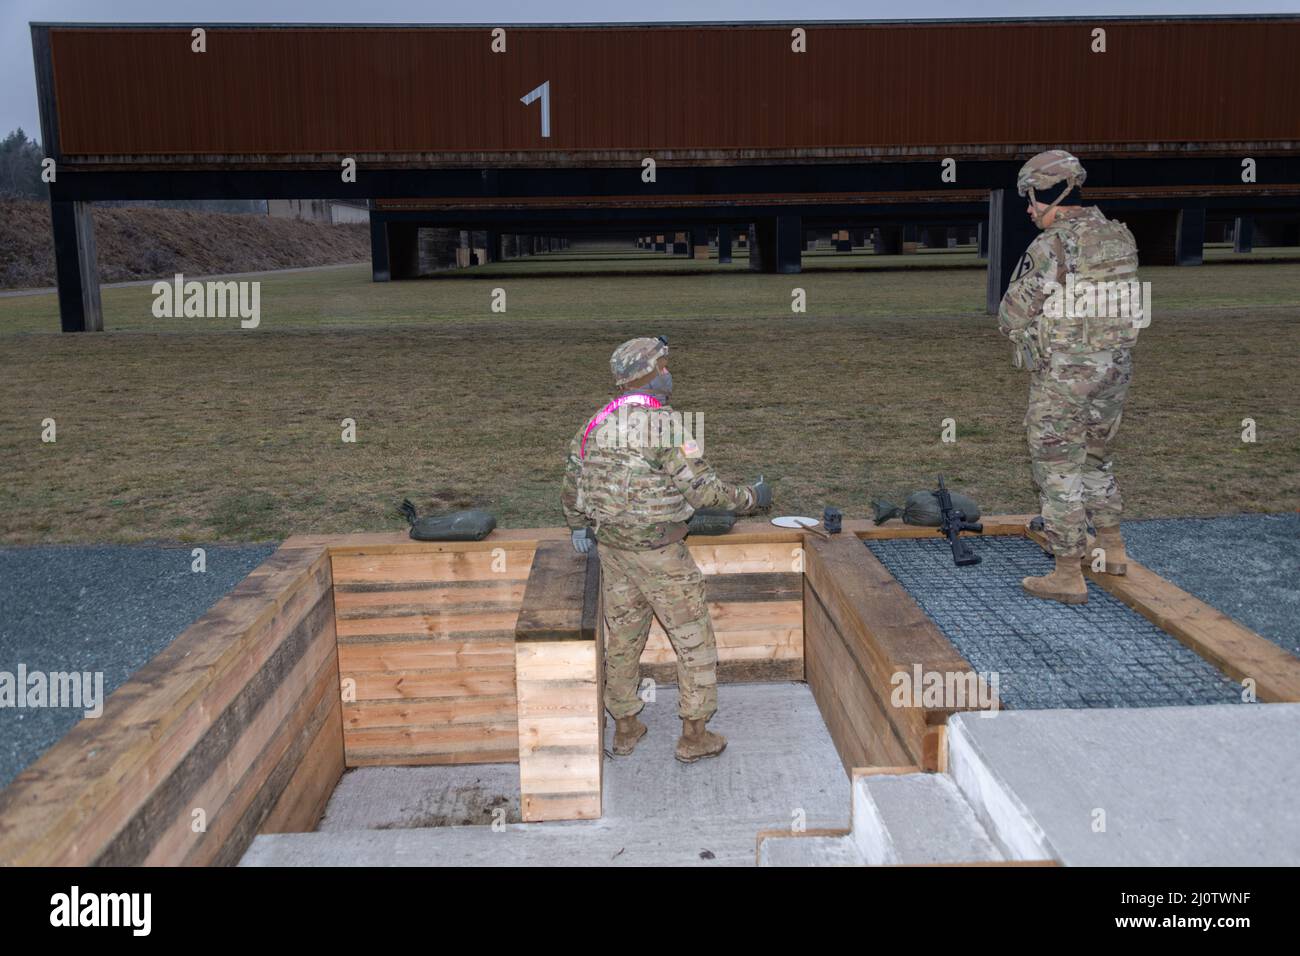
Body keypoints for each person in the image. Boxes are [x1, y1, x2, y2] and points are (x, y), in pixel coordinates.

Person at [561, 336, 771, 762]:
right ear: (650, 374)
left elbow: (571, 487)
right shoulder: (667, 425)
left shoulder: (595, 423)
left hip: (613, 552)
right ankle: (694, 736)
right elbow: (704, 493)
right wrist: (754, 497)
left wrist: (577, 527)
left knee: (622, 641)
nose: (669, 372)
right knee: (693, 641)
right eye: (664, 365)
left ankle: (625, 728)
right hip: (662, 556)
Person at [997, 150, 1143, 604]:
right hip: (1114, 370)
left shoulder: (1053, 245)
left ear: (1047, 193)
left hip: (1066, 377)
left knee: (1057, 467)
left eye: (1031, 199)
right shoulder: (1117, 236)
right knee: (1098, 458)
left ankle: (1066, 572)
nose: (1028, 209)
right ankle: (1112, 548)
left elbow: (1012, 311)